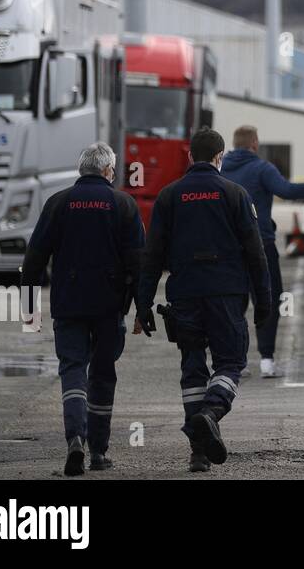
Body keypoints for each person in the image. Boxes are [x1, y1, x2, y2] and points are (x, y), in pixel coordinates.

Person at [136, 127, 271, 473]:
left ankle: (198, 453)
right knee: (230, 362)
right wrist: (265, 300)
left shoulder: (169, 196)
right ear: (219, 157)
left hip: (185, 295)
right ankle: (211, 413)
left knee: (192, 367)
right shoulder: (235, 193)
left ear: (189, 156)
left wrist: (143, 302)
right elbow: (256, 253)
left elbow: (151, 255)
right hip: (226, 295)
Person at [21, 142, 145, 476]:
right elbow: (138, 263)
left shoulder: (57, 203)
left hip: (69, 303)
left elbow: (34, 259)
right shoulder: (124, 204)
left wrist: (30, 310)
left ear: (81, 170)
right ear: (108, 171)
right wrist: (141, 309)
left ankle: (75, 436)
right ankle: (99, 453)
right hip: (109, 306)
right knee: (103, 374)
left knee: (73, 370)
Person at [221, 125, 304, 378]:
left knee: (232, 303)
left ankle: (235, 363)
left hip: (227, 248)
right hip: (260, 245)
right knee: (268, 300)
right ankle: (266, 361)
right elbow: (288, 191)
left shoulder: (221, 169)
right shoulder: (262, 168)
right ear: (254, 143)